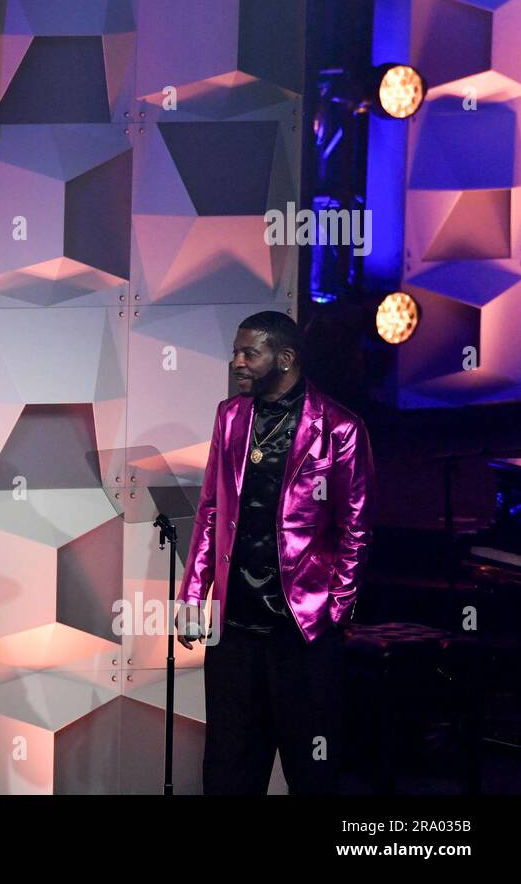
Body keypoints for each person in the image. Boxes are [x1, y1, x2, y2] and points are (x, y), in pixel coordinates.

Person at [175, 311, 373, 795]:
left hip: (302, 629)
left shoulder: (340, 429)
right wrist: (192, 597)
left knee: (310, 766)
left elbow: (355, 527)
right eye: (236, 352)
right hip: (236, 626)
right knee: (228, 764)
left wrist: (335, 609)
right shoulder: (231, 416)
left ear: (284, 358)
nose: (236, 362)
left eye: (249, 353)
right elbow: (211, 511)